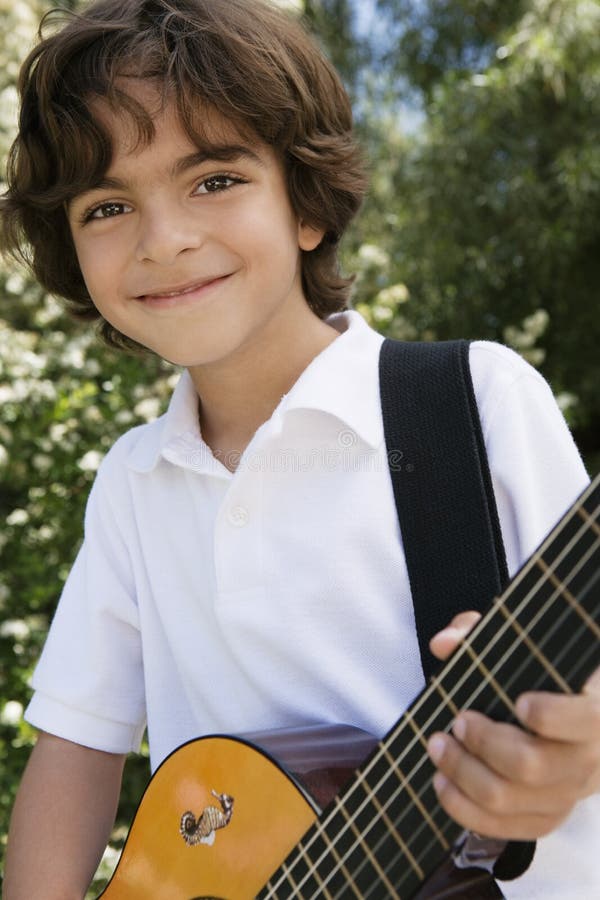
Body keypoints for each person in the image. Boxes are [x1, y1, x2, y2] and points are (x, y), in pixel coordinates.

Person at [1, 0, 599, 897]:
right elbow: (75, 750)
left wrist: (578, 746)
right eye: (108, 205)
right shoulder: (134, 481)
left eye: (214, 181)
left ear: (307, 207)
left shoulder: (476, 401)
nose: (166, 241)